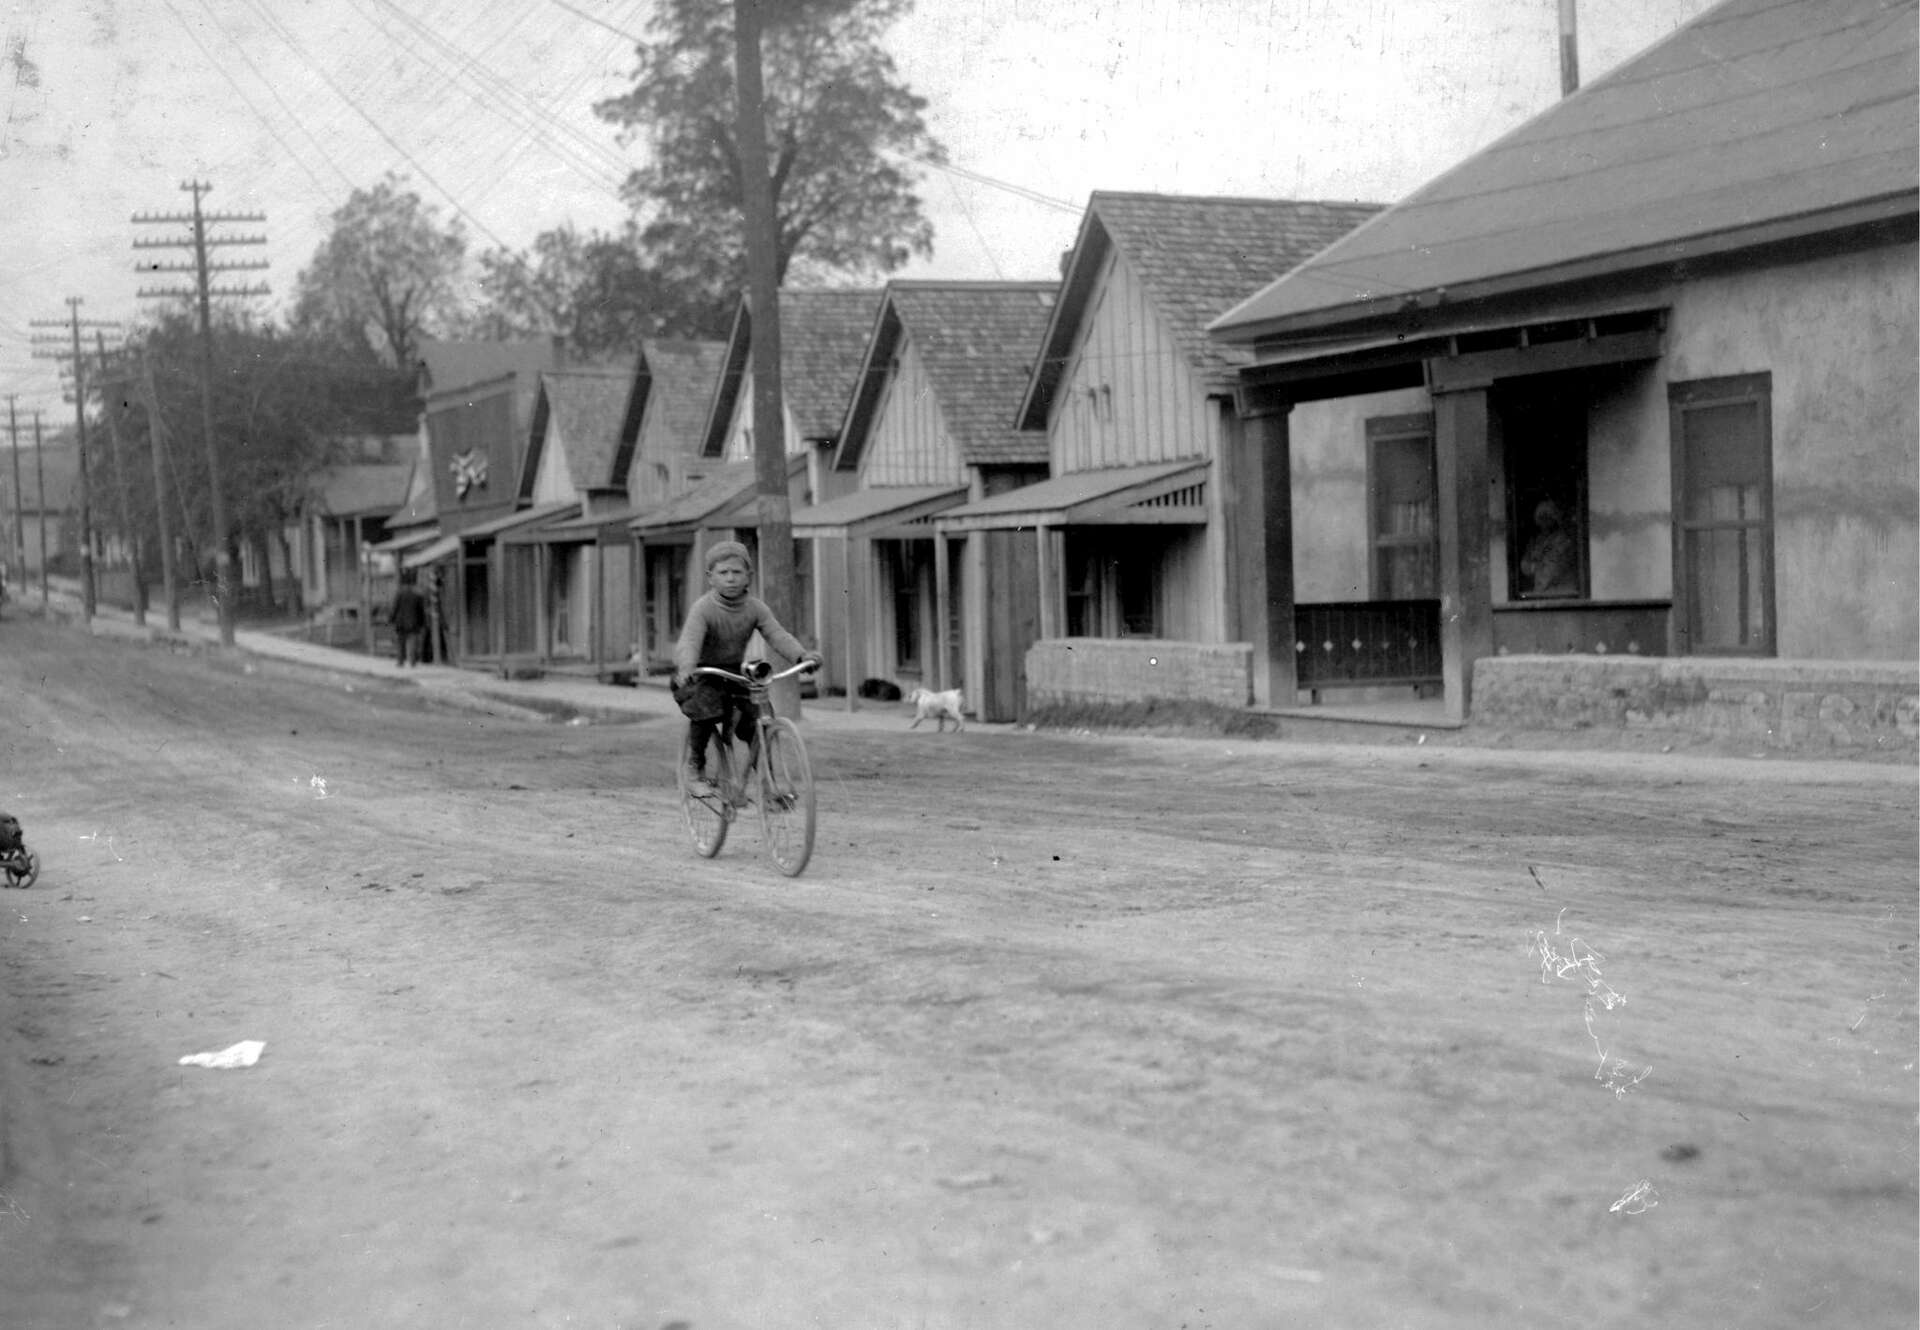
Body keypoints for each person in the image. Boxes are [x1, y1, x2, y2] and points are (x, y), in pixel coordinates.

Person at [672, 541, 821, 790]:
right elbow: (689, 641)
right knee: (704, 708)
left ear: (748, 576)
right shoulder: (704, 609)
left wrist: (801, 656)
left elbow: (777, 634)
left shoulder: (755, 608)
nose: (730, 579)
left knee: (759, 720)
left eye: (737, 572)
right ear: (710, 578)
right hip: (701, 673)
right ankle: (694, 768)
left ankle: (767, 783)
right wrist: (686, 667)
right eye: (723, 573)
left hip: (734, 673)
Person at [1519, 499, 1579, 596]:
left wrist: (1536, 566)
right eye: (1541, 518)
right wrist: (1536, 567)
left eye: (1547, 518)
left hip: (1559, 590)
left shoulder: (1562, 540)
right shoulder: (1536, 541)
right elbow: (1525, 566)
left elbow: (1554, 569)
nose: (1544, 522)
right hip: (1540, 590)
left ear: (1554, 519)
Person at [389, 571, 428, 667]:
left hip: (400, 622)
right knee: (412, 642)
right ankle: (412, 661)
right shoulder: (418, 595)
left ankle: (400, 661)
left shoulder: (399, 594)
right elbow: (421, 610)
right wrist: (423, 622)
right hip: (414, 622)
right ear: (413, 583)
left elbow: (395, 608)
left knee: (400, 642)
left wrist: (391, 619)